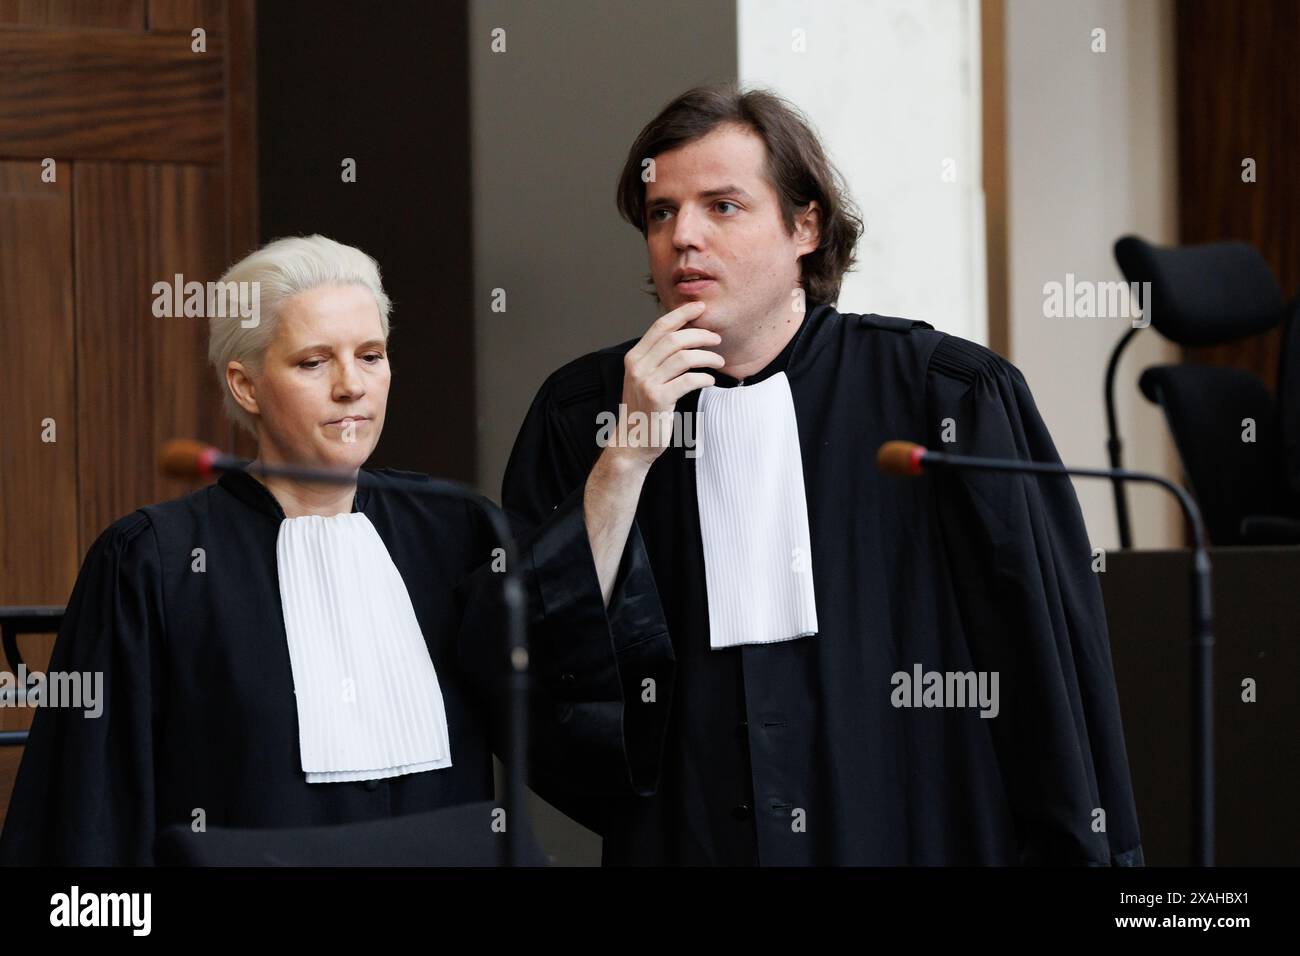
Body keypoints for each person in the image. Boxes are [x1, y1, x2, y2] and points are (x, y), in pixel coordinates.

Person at [503, 86, 1144, 865]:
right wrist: (630, 454)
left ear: (805, 226)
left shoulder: (945, 394)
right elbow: (534, 664)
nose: (683, 238)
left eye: (723, 206)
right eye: (662, 213)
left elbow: (1049, 663)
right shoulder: (582, 414)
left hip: (908, 821)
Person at [0, 235, 670, 865]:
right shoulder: (151, 560)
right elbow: (90, 804)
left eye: (371, 355)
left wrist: (625, 464)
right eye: (313, 361)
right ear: (246, 385)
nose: (352, 385)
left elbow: (560, 679)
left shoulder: (453, 528)